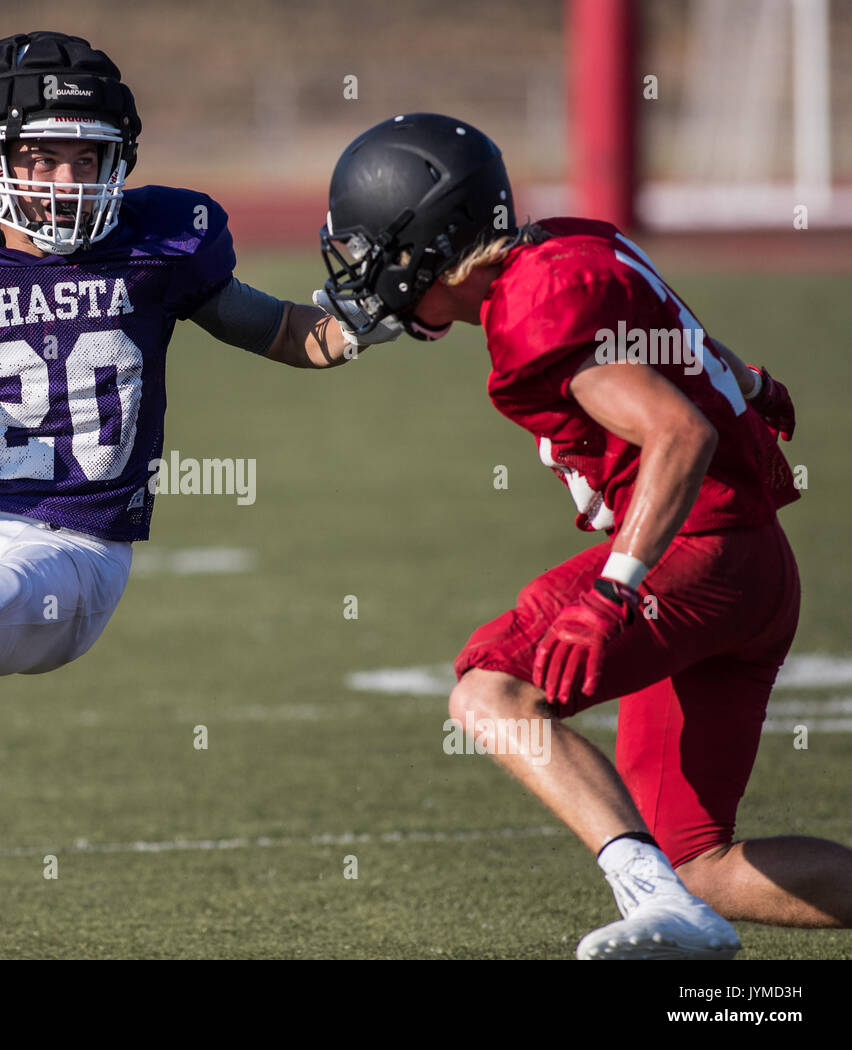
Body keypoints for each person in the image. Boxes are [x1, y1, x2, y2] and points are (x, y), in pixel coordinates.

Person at [0, 31, 405, 960]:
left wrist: (361, 324)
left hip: (74, 545)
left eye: (85, 154)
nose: (64, 176)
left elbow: (288, 331)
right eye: (41, 153)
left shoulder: (160, 243)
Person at [320, 112, 851, 959]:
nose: (361, 275)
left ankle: (651, 902)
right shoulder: (568, 245)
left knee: (488, 692)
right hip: (756, 568)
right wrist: (746, 379)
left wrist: (616, 588)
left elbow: (679, 434)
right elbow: (667, 333)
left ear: (423, 242)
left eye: (369, 252)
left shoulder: (535, 310)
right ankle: (672, 893)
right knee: (699, 860)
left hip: (697, 550)